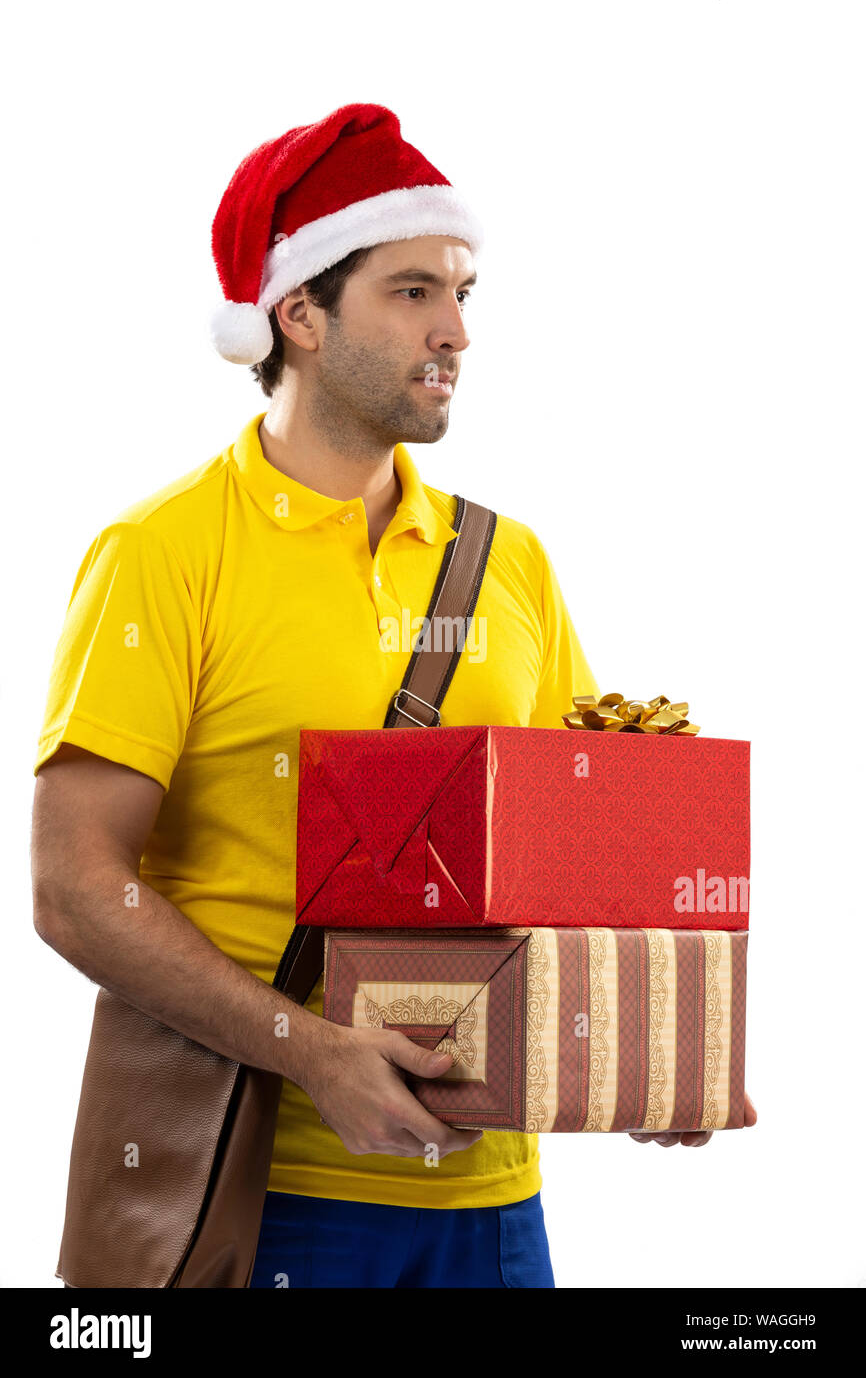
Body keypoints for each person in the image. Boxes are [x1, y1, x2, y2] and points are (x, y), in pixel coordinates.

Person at [30, 102, 755, 1291]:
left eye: (464, 292)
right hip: (269, 1192)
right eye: (412, 290)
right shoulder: (163, 551)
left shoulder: (505, 559)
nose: (457, 328)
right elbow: (72, 885)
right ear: (298, 314)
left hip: (495, 1198)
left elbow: (573, 863)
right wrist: (313, 1052)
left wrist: (642, 1047)